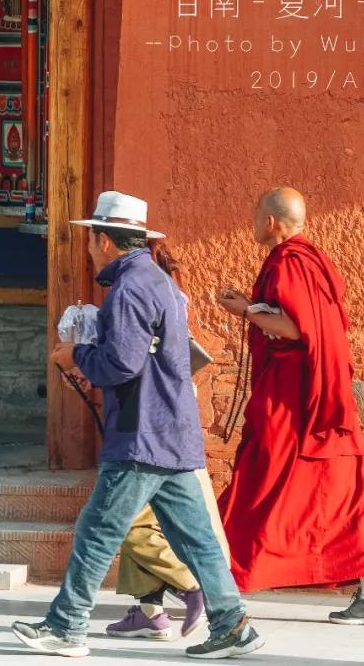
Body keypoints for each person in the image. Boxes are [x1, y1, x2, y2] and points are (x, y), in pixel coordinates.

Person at [11, 191, 262, 661]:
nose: (89, 247)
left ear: (105, 241)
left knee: (97, 530)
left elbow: (122, 363)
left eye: (92, 239)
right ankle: (232, 624)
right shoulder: (157, 281)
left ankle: (66, 626)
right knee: (197, 539)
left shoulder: (129, 287)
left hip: (141, 434)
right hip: (171, 431)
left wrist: (76, 355)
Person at [216, 186, 364, 624]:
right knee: (343, 491)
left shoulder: (290, 262)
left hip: (295, 398)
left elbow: (297, 328)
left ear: (272, 223)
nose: (253, 221)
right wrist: (254, 307)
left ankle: (216, 580)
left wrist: (245, 311)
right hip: (319, 396)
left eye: (257, 214)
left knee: (262, 480)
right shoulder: (307, 259)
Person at [107, 241, 225, 642]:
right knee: (148, 515)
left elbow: (127, 360)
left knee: (125, 517)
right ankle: (150, 611)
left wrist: (85, 354)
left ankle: (192, 587)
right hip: (167, 420)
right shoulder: (169, 292)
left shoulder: (140, 292)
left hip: (151, 422)